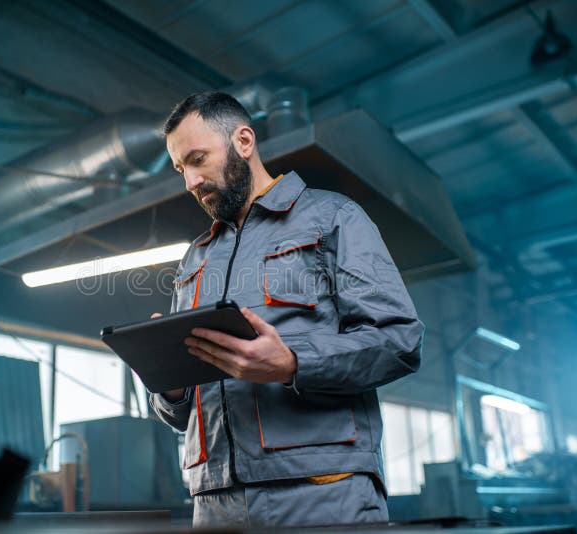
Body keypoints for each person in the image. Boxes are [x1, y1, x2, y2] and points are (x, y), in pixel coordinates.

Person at [149, 92, 424, 528]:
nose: (191, 182)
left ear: (243, 141)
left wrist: (294, 364)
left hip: (320, 490)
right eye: (182, 169)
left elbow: (400, 340)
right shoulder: (195, 259)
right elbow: (182, 417)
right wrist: (168, 384)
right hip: (214, 500)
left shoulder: (333, 218)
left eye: (198, 159)